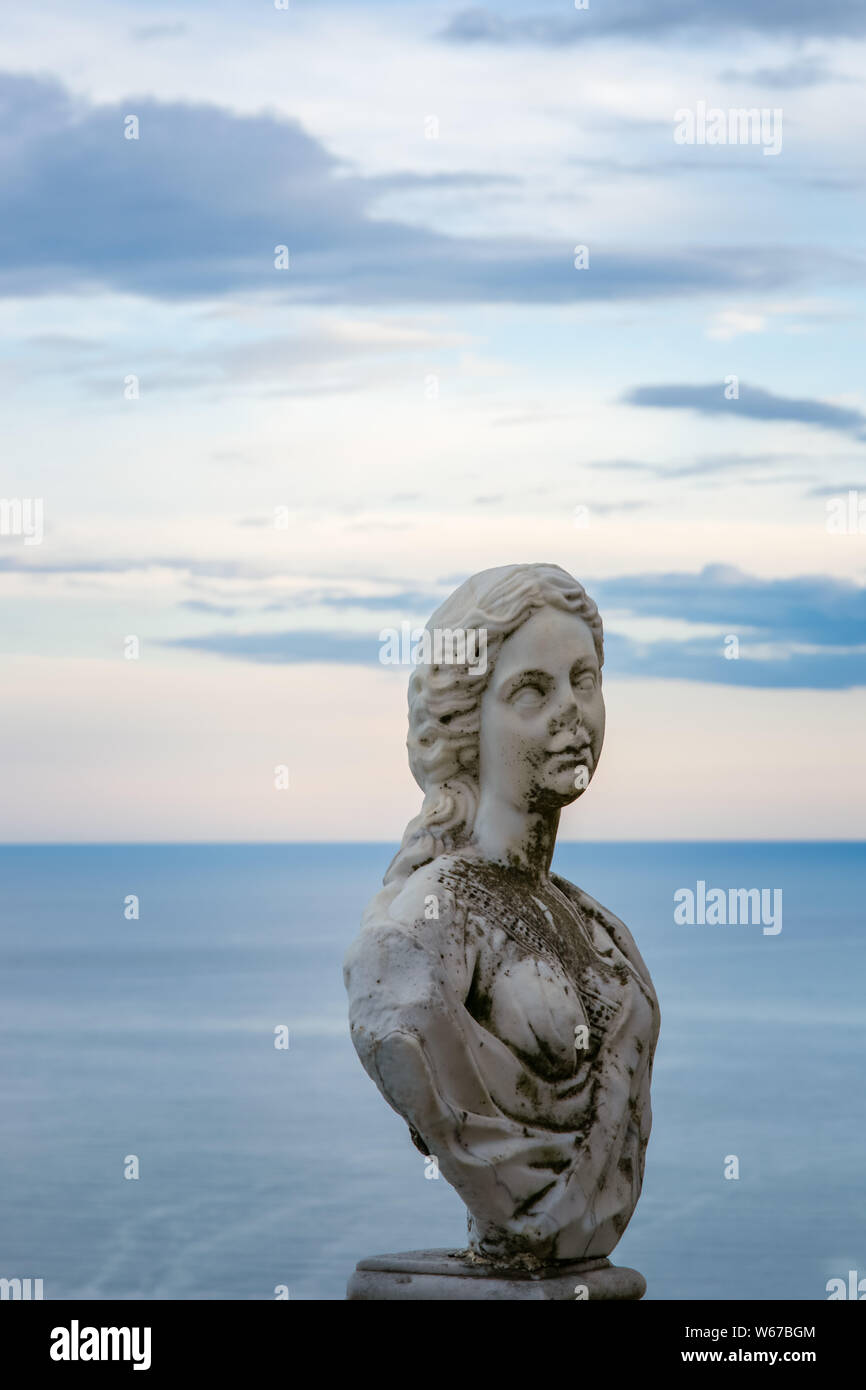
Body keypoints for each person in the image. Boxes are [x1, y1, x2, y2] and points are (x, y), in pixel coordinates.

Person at [344, 563, 660, 1266]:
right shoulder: (431, 919)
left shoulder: (602, 931)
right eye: (532, 691)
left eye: (585, 681)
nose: (570, 713)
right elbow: (402, 1032)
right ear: (466, 722)